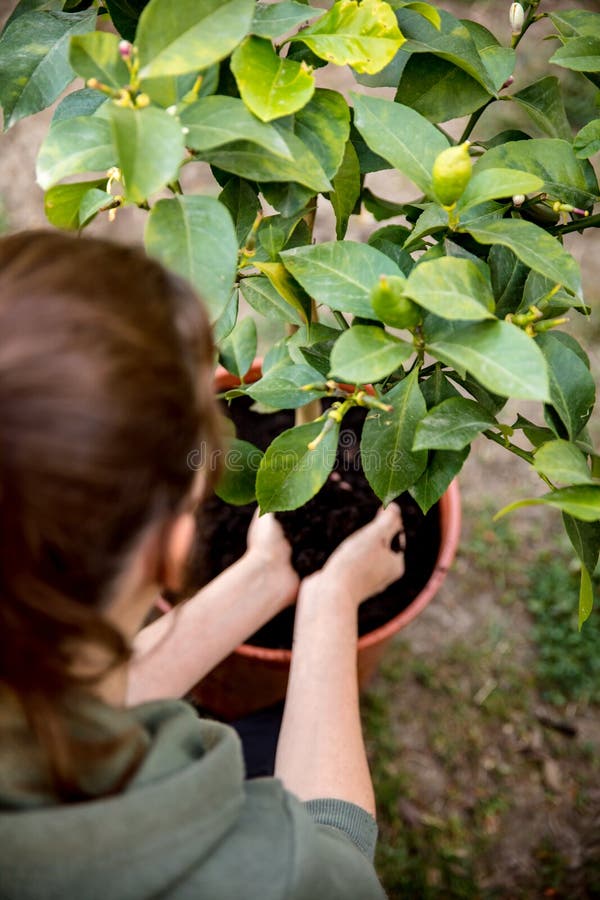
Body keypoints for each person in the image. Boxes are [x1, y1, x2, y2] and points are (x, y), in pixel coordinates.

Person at [0, 231, 405, 899]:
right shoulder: (237, 878)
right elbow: (335, 854)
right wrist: (331, 600)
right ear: (170, 549)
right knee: (271, 728)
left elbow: (76, 699)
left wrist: (265, 577)